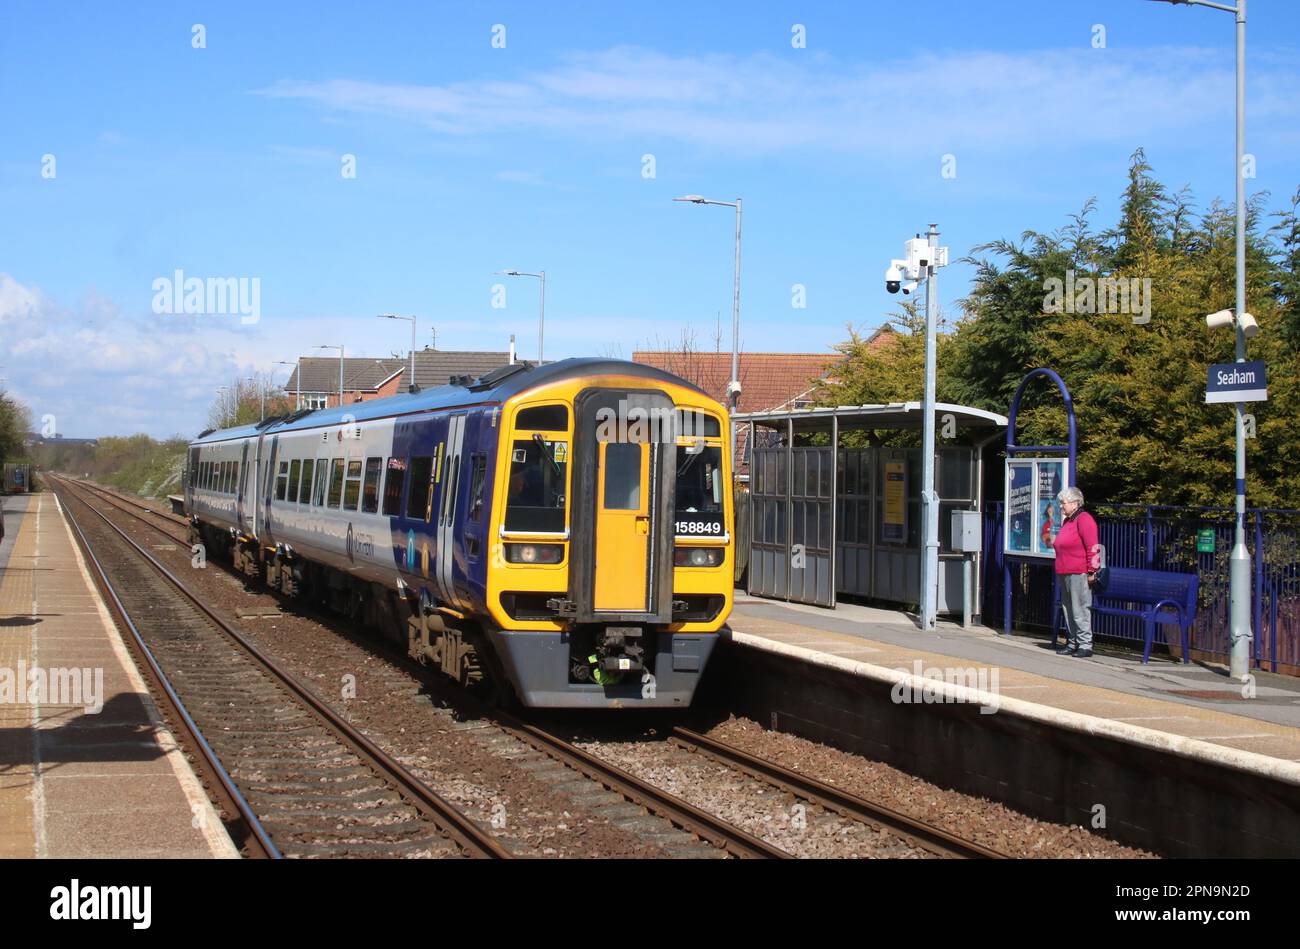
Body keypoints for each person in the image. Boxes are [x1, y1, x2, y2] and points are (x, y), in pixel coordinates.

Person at [1052, 486, 1100, 657]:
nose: (1061, 507)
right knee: (1068, 609)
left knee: (1079, 608)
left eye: (1063, 503)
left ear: (1075, 503)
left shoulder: (1084, 519)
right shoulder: (1069, 521)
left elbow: (1093, 546)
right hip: (1065, 570)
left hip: (1078, 571)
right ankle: (1072, 642)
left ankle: (1085, 644)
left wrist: (1092, 570)